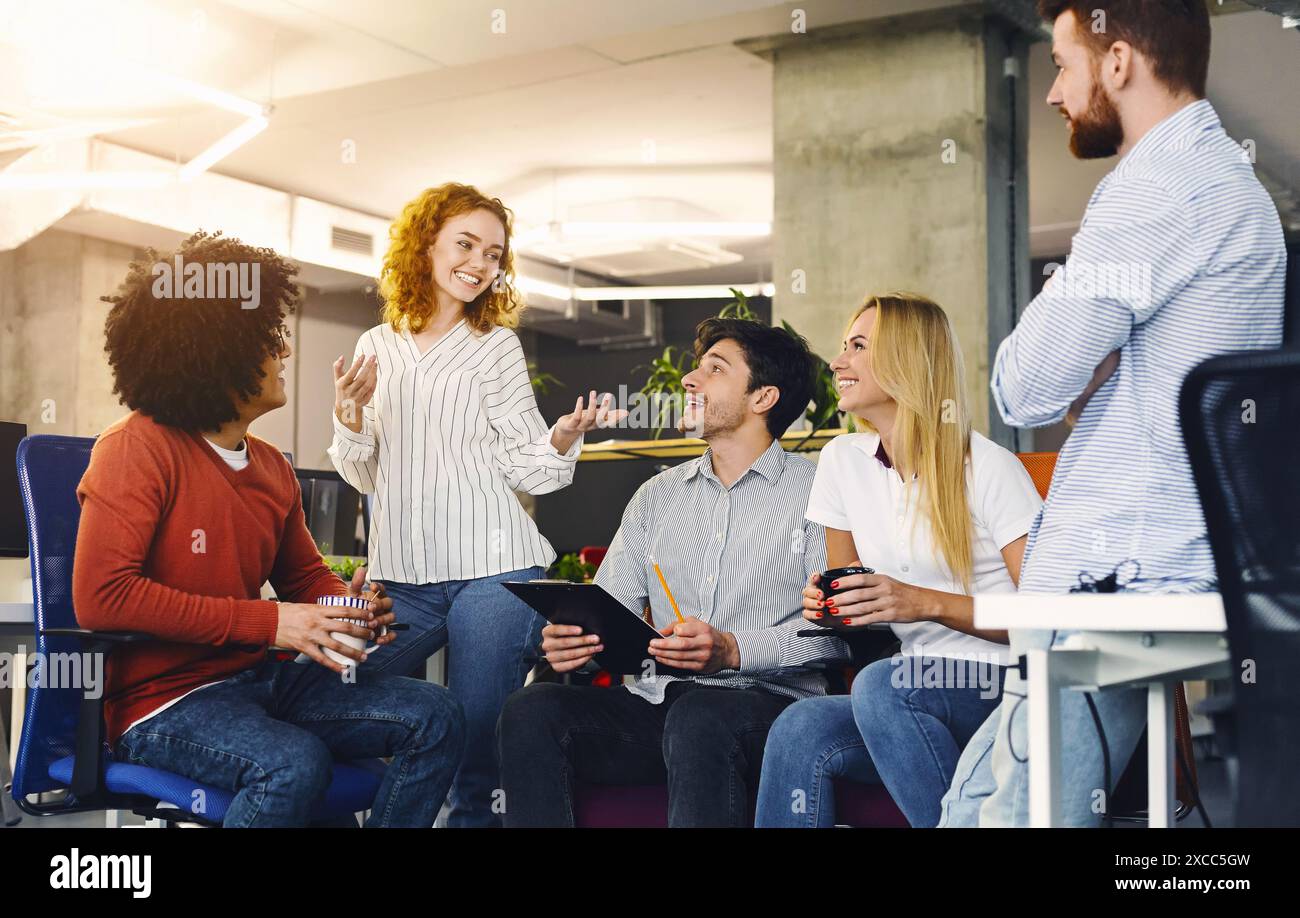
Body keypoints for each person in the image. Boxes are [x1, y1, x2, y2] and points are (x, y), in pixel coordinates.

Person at [939, 0, 1287, 828]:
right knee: (969, 801)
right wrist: (1102, 353)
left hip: (1120, 571)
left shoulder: (1150, 191)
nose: (1056, 93)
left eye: (1063, 65)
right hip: (1158, 560)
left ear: (1120, 62)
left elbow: (1023, 387)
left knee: (1011, 818)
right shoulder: (1230, 185)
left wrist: (1077, 326)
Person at [73, 231, 464, 828]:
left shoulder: (270, 465)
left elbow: (304, 578)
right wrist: (272, 622)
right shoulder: (135, 449)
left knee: (435, 715)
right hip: (163, 705)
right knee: (294, 764)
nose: (284, 352)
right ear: (218, 352)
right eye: (269, 338)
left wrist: (350, 608)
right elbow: (102, 598)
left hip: (258, 683)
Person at [328, 182, 621, 827]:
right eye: (466, 244)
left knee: (478, 735)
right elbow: (363, 473)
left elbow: (528, 468)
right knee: (329, 693)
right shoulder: (379, 344)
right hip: (401, 575)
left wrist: (563, 437)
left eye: (494, 253)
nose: (480, 263)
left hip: (494, 564)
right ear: (425, 246)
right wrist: (350, 417)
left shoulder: (495, 347)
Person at [497, 318, 848, 827]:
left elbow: (835, 637)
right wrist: (578, 641)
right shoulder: (656, 498)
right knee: (533, 710)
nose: (689, 379)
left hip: (763, 708)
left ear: (763, 397)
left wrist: (732, 648)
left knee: (701, 714)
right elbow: (609, 608)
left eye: (715, 369)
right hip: (654, 705)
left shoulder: (819, 490)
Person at [753, 294, 1042, 828]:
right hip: (908, 693)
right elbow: (853, 604)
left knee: (886, 684)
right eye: (842, 347)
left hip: (1001, 685)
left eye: (857, 347)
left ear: (907, 360)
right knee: (800, 727)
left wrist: (921, 602)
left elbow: (1049, 623)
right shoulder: (843, 461)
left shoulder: (988, 468)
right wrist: (830, 604)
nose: (837, 362)